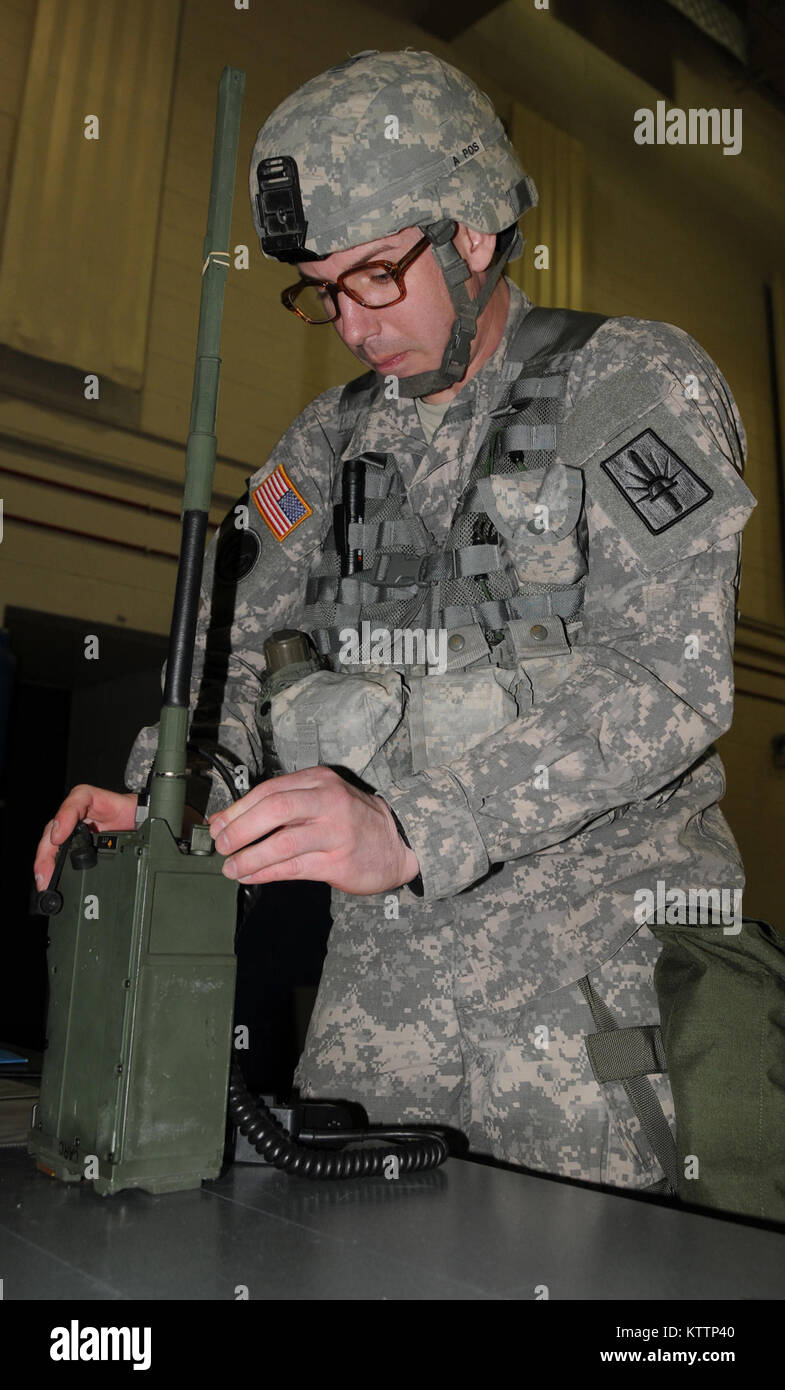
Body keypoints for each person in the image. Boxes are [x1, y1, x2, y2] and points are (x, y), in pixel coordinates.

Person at [35, 49, 756, 1198]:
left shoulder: (630, 383)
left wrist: (417, 825)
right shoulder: (326, 445)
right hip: (378, 1028)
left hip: (590, 1020)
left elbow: (666, 679)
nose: (349, 323)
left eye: (374, 275)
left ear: (471, 233)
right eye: (322, 289)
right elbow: (225, 657)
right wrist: (174, 794)